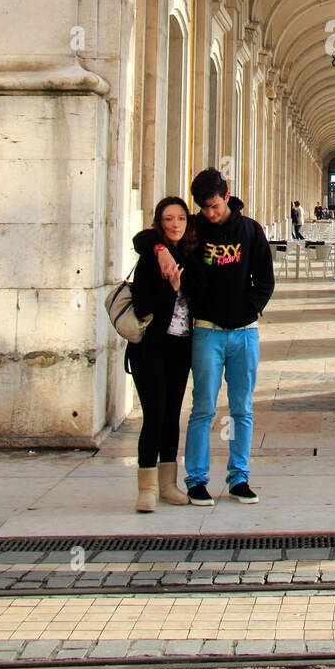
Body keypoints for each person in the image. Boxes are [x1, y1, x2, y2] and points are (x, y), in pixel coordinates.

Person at [156, 169, 275, 507]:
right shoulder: (193, 230)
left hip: (245, 334)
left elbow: (265, 280)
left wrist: (246, 310)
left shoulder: (250, 230)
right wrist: (161, 250)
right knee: (203, 407)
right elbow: (152, 235)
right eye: (203, 207)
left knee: (242, 408)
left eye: (213, 205)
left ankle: (239, 477)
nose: (209, 212)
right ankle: (196, 480)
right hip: (207, 331)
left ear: (226, 197)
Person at [130, 197, 204, 513]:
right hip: (150, 349)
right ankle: (145, 488)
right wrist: (170, 288)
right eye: (168, 219)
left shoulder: (192, 252)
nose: (174, 225)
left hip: (180, 347)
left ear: (188, 223)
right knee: (155, 415)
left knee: (173, 414)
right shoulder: (152, 256)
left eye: (180, 219)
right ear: (159, 222)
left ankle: (168, 484)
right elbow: (143, 306)